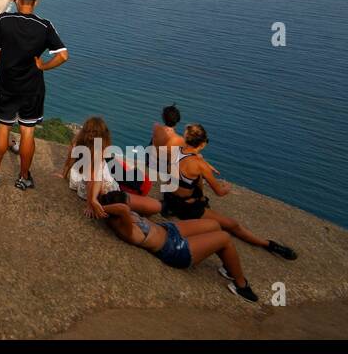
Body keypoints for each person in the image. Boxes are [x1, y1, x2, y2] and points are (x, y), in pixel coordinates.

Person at [0, 0, 67, 191]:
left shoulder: (3, 20)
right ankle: (24, 177)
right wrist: (43, 65)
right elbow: (63, 55)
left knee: (3, 127)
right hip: (33, 88)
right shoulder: (45, 26)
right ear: (35, 3)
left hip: (8, 85)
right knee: (28, 132)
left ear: (16, 1)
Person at [164, 123, 298, 260]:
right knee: (232, 225)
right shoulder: (200, 165)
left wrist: (203, 165)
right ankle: (268, 244)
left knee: (193, 177)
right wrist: (226, 187)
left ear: (186, 139)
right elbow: (219, 192)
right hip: (186, 208)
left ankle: (198, 201)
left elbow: (188, 160)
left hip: (170, 198)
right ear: (203, 144)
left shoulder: (175, 150)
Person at [99, 199, 260, 303]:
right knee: (224, 238)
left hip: (169, 230)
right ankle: (240, 286)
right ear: (112, 212)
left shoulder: (122, 215)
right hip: (175, 250)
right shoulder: (124, 228)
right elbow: (122, 208)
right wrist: (98, 206)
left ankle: (228, 267)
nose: (128, 205)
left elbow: (122, 205)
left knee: (214, 224)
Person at [61, 116, 163, 217]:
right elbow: (94, 178)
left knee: (126, 196)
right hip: (124, 181)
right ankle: (159, 206)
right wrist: (91, 202)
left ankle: (159, 206)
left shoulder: (81, 146)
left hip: (133, 184)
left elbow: (73, 163)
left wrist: (64, 175)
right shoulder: (97, 152)